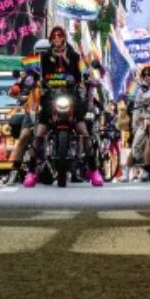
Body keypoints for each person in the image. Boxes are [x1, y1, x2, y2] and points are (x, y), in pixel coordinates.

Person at [25, 26, 103, 187]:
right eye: (54, 37)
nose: (57, 40)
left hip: (71, 97)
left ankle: (94, 170)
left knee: (84, 132)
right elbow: (37, 74)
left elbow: (83, 73)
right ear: (51, 39)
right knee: (39, 135)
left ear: (65, 38)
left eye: (60, 36)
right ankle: (31, 171)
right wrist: (31, 81)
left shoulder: (75, 56)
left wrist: (89, 79)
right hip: (50, 98)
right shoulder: (44, 57)